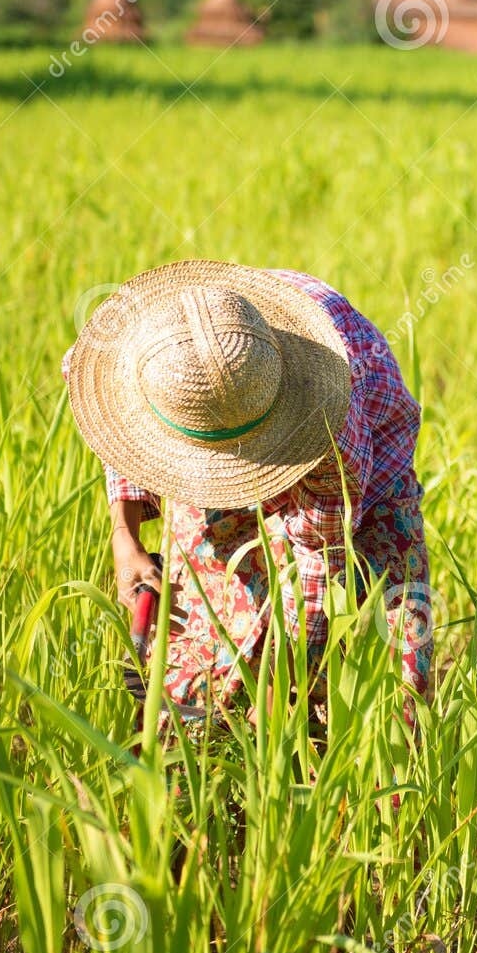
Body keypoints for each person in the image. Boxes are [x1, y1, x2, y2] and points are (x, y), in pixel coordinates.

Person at [62, 260, 430, 726]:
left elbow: (322, 567)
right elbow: (122, 423)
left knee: (371, 669)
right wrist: (125, 535)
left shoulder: (330, 435)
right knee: (199, 632)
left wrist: (280, 687)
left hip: (362, 485)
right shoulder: (157, 348)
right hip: (230, 410)